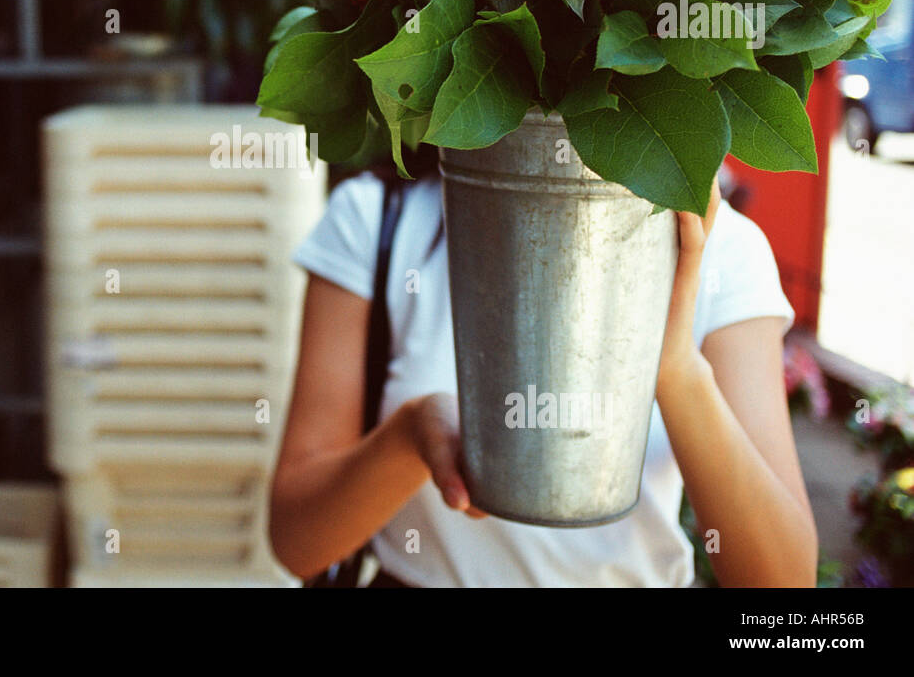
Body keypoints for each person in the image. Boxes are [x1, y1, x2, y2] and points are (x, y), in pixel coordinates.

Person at [268, 153, 819, 587]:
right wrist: (411, 435)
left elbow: (782, 585)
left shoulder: (717, 251)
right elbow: (298, 541)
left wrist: (674, 368)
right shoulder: (378, 220)